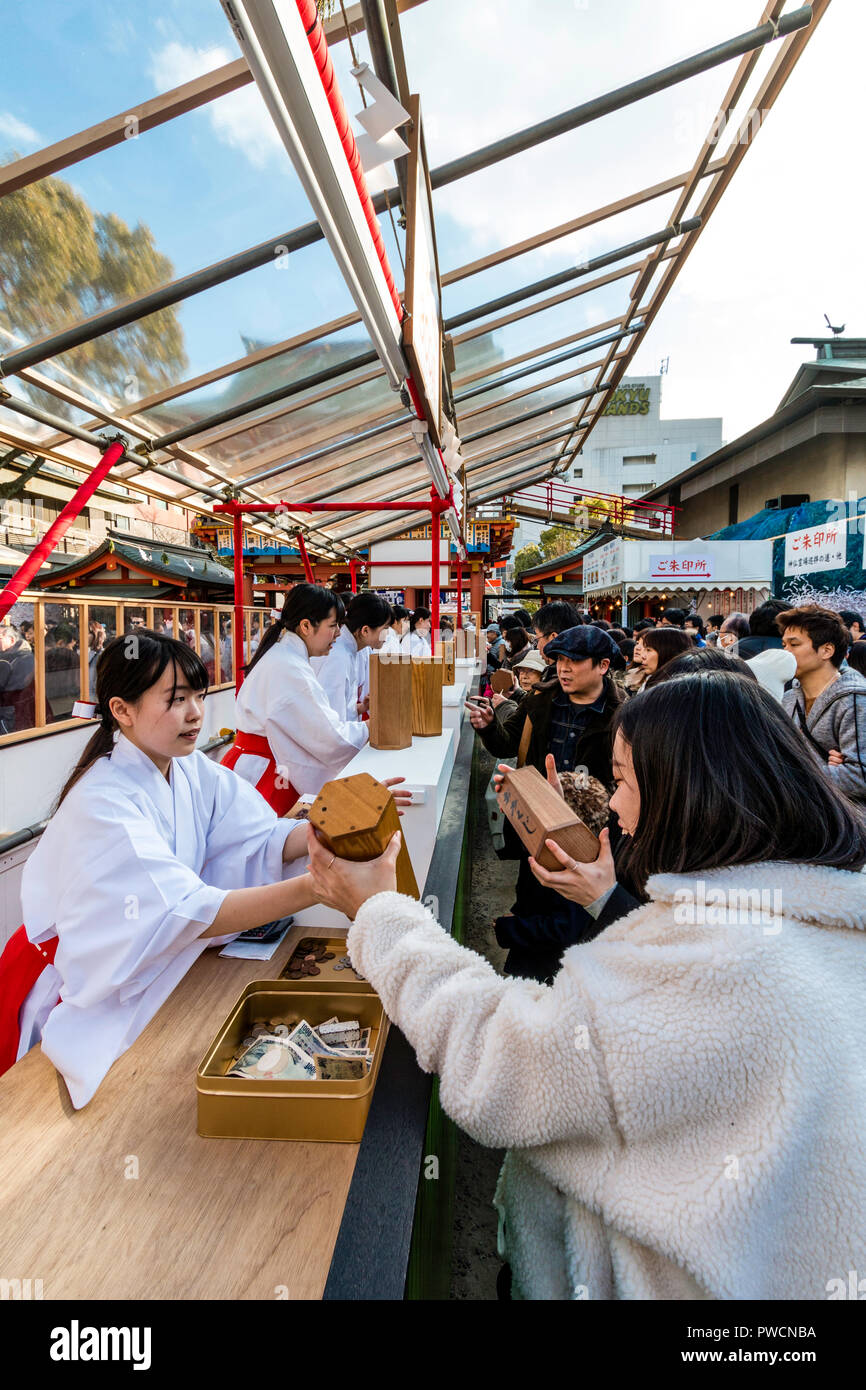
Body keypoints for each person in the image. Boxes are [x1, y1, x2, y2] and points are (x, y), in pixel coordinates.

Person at [306, 671, 866, 1300]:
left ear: (689, 793)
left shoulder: (697, 970)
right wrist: (607, 897)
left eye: (623, 780)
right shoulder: (818, 917)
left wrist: (383, 914)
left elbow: (501, 1064)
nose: (618, 807)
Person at [0, 631, 324, 1105]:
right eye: (175, 699)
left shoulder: (188, 766)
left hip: (131, 961)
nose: (195, 712)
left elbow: (257, 837)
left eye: (197, 695)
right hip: (72, 979)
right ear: (122, 710)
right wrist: (318, 887)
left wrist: (321, 833)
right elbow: (186, 913)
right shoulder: (104, 801)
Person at [221, 583, 367, 811]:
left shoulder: (284, 656)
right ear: (306, 626)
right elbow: (329, 738)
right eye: (333, 625)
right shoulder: (289, 667)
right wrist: (369, 728)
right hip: (263, 772)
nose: (338, 633)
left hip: (257, 764)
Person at [779, 603, 866, 804]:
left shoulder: (855, 699)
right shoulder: (789, 698)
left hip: (845, 823)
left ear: (826, 650)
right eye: (784, 645)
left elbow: (860, 776)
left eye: (794, 644)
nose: (785, 652)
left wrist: (792, 775)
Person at [315, 591, 392, 722]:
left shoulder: (351, 649)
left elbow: (341, 708)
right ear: (365, 630)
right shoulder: (339, 655)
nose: (387, 635)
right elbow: (330, 721)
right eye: (385, 629)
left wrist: (361, 707)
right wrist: (370, 727)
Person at [628, 627, 692, 693]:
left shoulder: (677, 690)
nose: (643, 656)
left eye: (648, 650)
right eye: (637, 643)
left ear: (667, 652)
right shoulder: (650, 681)